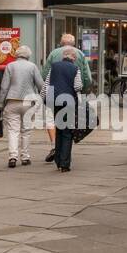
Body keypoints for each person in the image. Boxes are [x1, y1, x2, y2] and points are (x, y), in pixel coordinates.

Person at [42, 33, 91, 163]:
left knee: (55, 124)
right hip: (69, 99)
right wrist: (82, 94)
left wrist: (45, 98)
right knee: (67, 129)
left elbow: (45, 75)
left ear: (61, 43)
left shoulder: (53, 55)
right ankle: (64, 161)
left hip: (53, 97)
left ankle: (55, 150)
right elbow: (85, 79)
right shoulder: (79, 55)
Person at [0, 45, 44, 168]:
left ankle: (13, 157)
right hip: (28, 102)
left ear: (16, 55)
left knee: (13, 130)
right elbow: (40, 85)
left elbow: (4, 87)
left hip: (12, 101)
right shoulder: (33, 66)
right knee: (26, 130)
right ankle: (25, 157)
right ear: (28, 55)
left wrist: (1, 103)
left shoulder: (10, 66)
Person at [46, 46, 83, 172]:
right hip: (68, 102)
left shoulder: (54, 66)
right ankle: (65, 163)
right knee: (67, 132)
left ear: (63, 56)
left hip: (55, 101)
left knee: (59, 130)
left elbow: (47, 84)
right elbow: (78, 87)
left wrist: (44, 99)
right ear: (73, 58)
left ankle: (58, 161)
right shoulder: (75, 68)